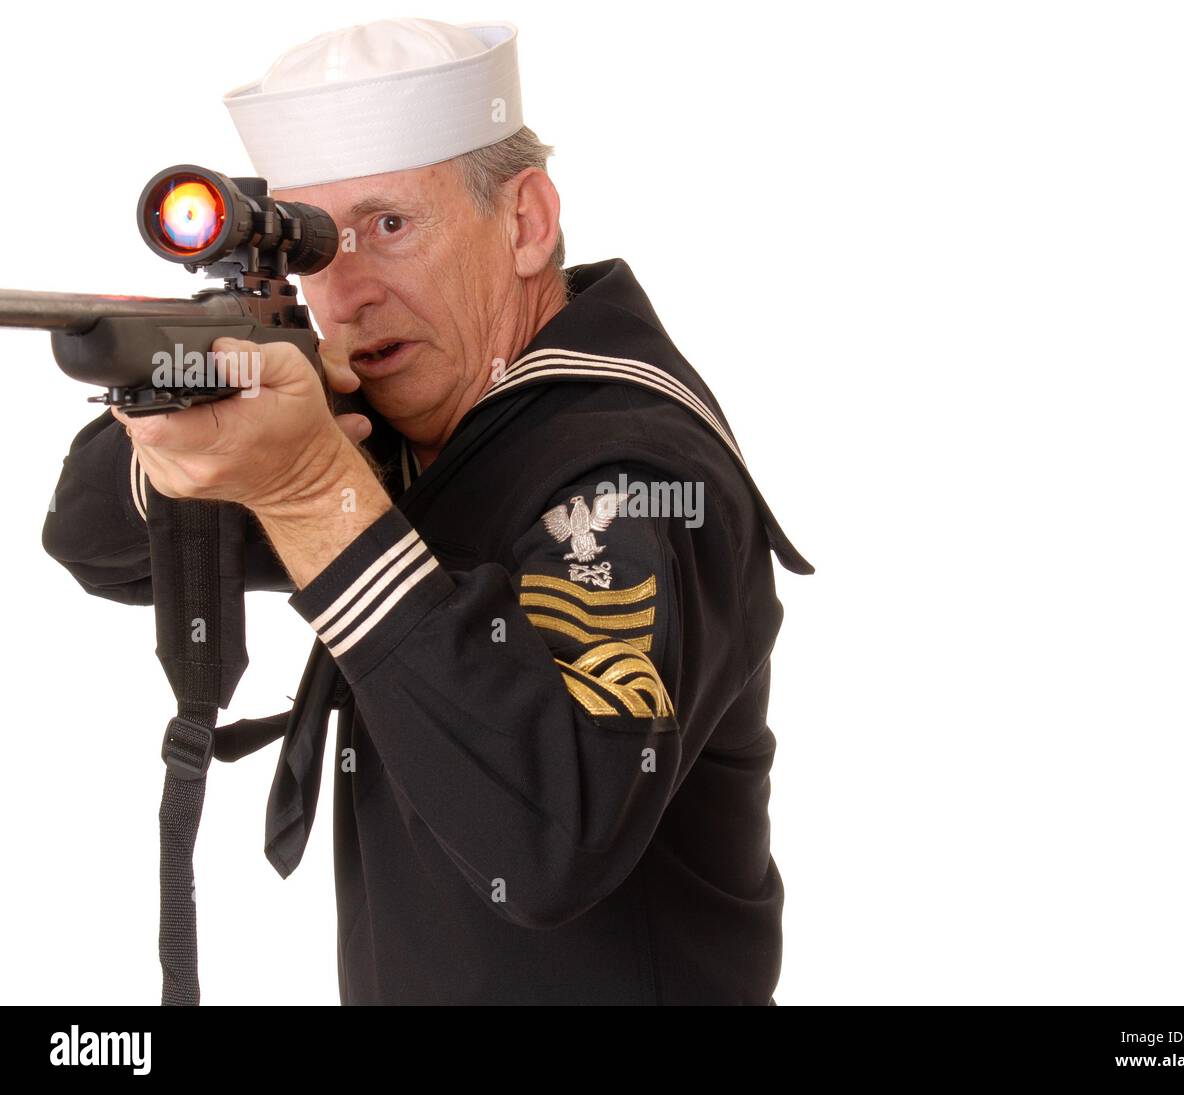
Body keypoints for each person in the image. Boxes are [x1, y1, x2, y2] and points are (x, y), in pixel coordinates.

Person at [42, 17, 813, 1005]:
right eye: (315, 248)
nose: (347, 294)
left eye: (390, 226)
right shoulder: (407, 428)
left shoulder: (633, 471)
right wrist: (197, 381)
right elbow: (92, 542)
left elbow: (548, 843)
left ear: (526, 221)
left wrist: (315, 494)